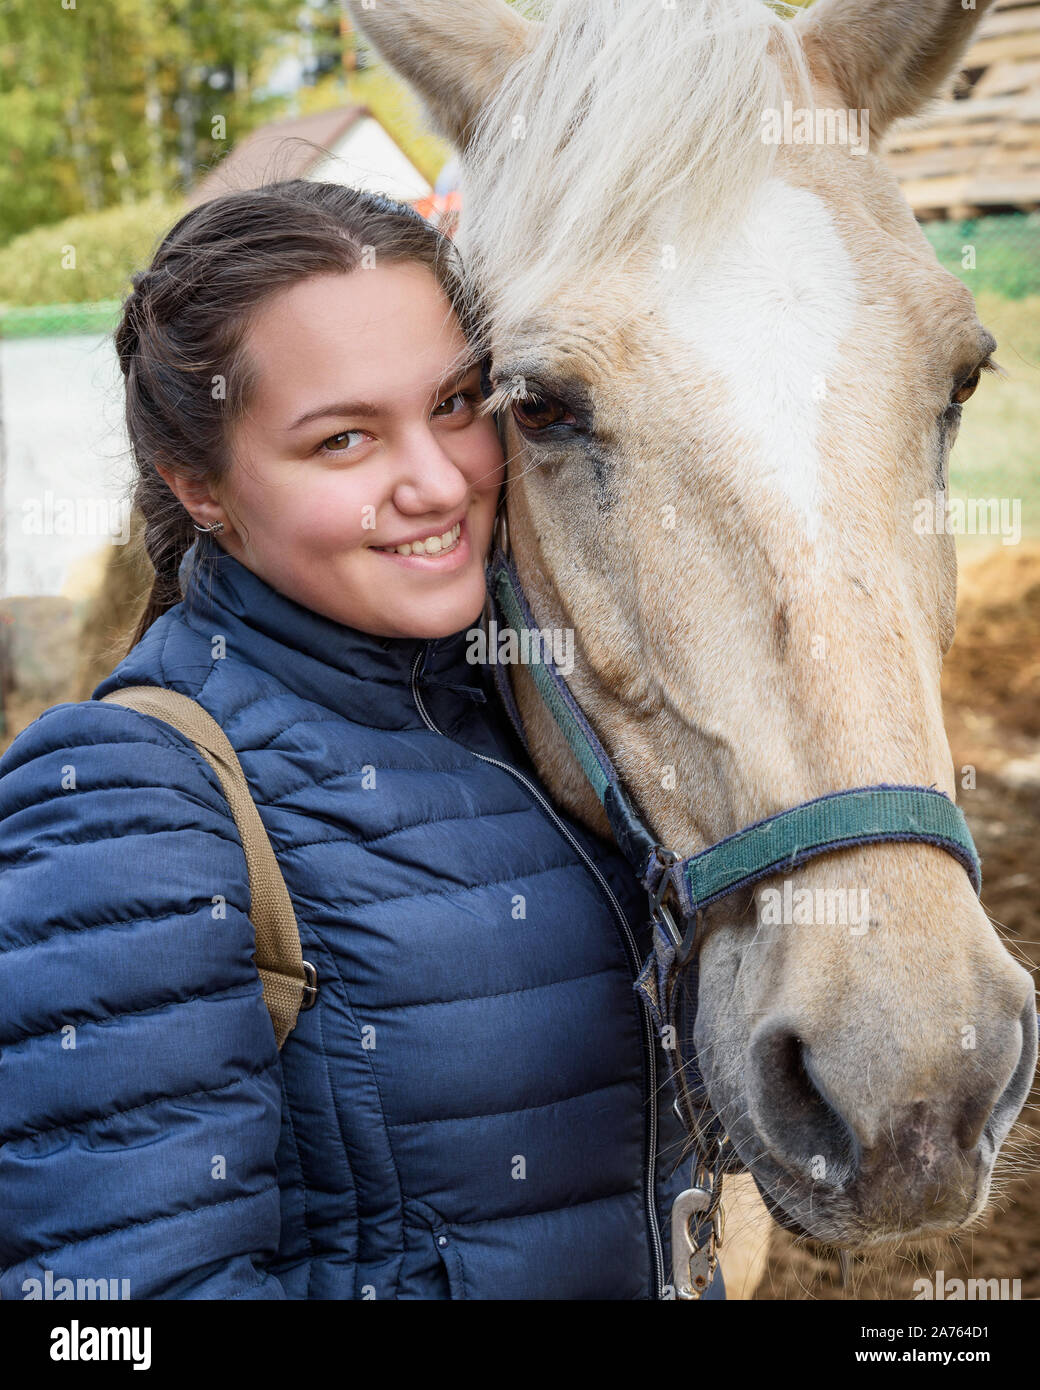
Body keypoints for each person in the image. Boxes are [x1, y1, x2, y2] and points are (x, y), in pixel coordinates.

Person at [0, 180, 723, 1301]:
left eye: (455, 403)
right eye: (342, 439)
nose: (436, 483)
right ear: (199, 485)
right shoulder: (127, 797)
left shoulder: (552, 710)